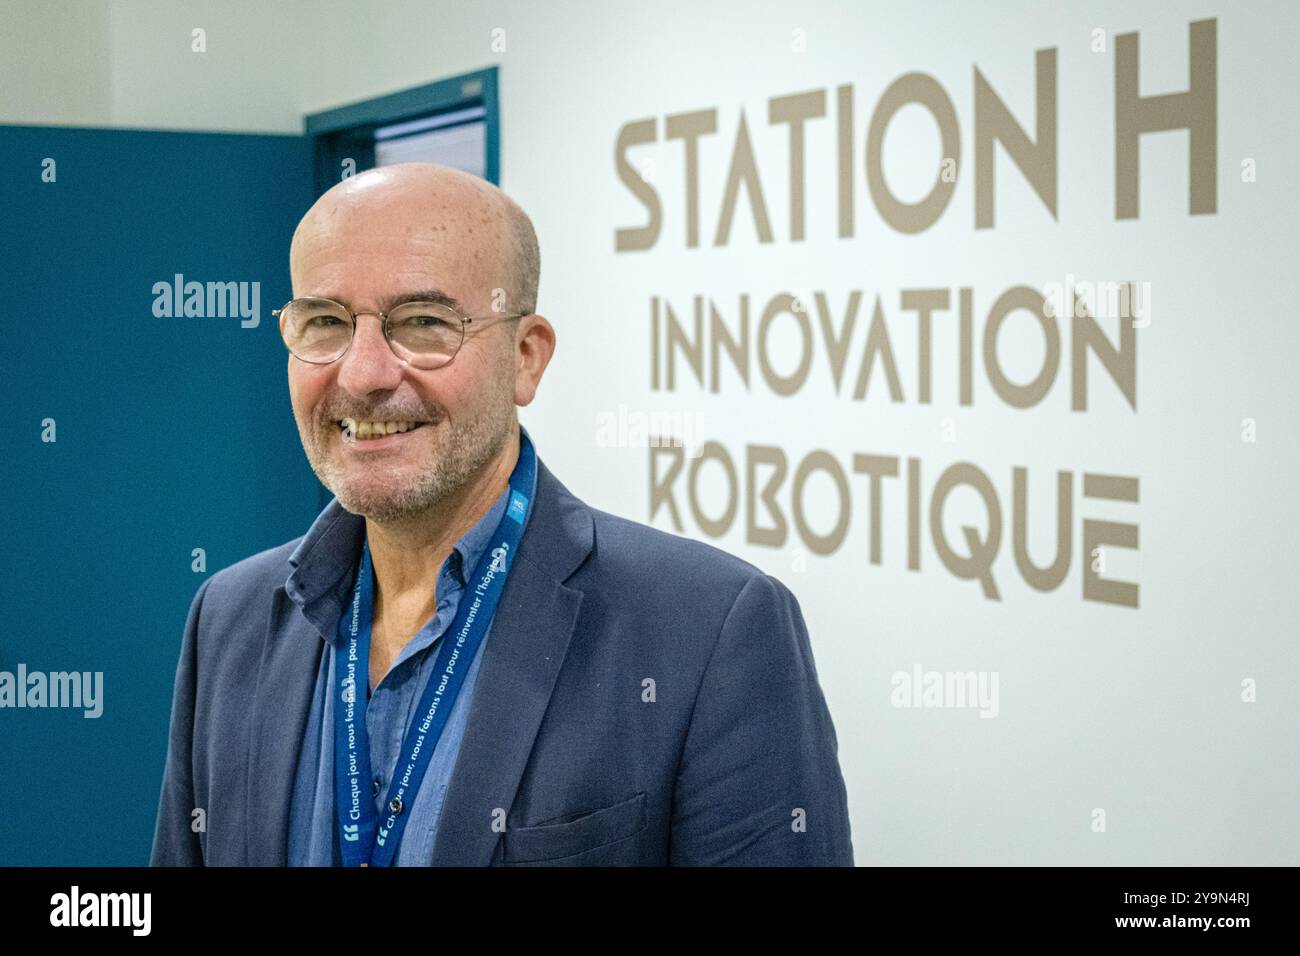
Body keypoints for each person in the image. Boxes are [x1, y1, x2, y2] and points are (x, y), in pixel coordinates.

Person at [150, 162, 853, 866]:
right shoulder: (229, 618)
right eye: (326, 322)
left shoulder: (708, 633)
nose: (362, 374)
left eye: (424, 323)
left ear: (526, 358)